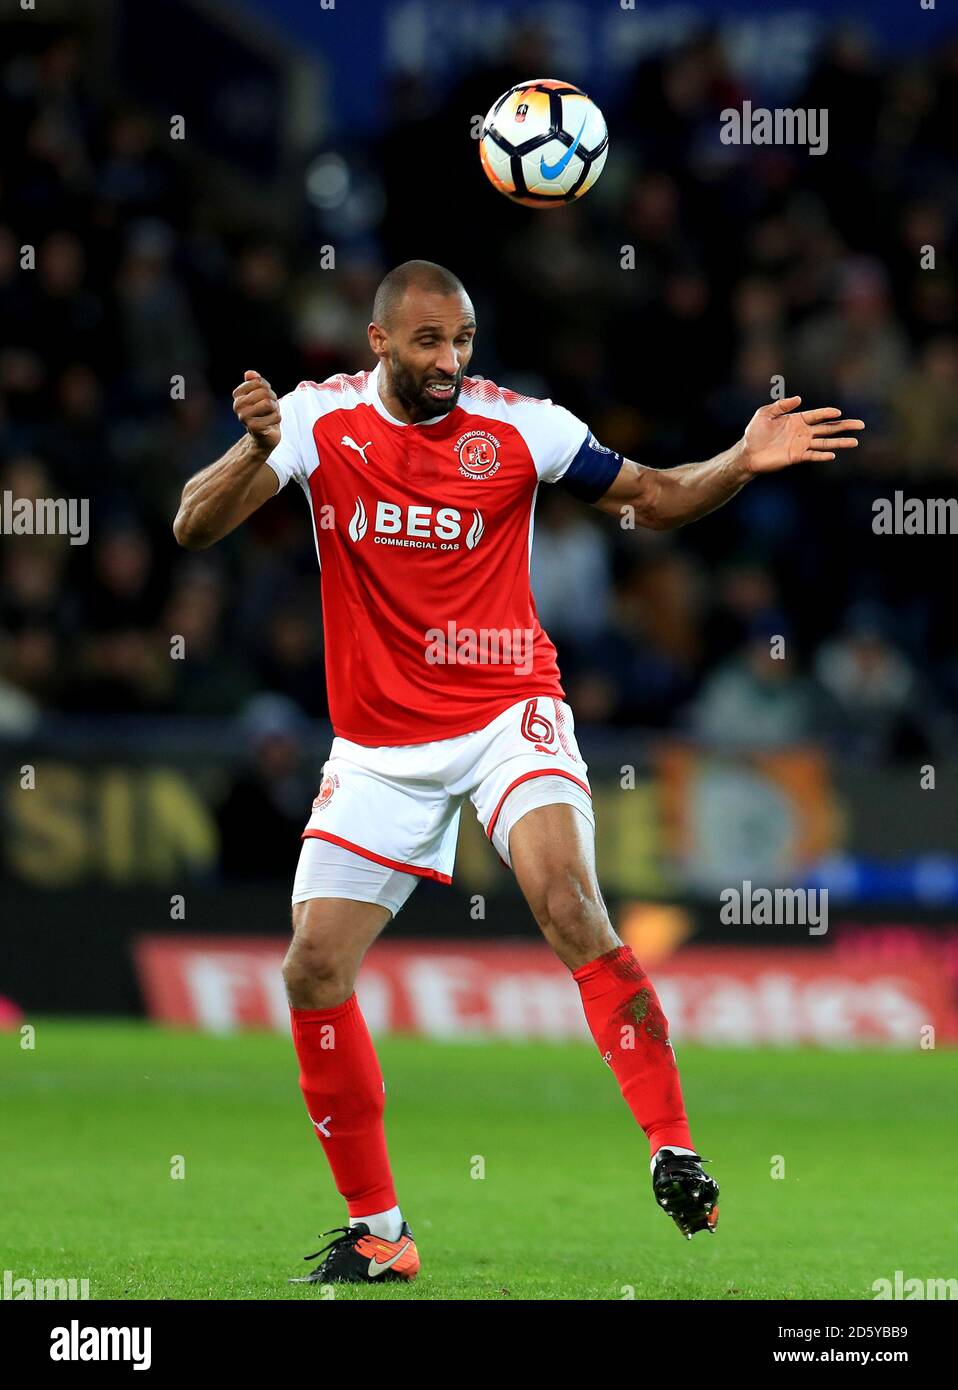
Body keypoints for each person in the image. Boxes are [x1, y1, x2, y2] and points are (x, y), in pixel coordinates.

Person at [173, 260, 864, 1284]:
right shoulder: (316, 423)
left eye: (461, 339)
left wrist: (741, 460)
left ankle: (673, 1147)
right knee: (311, 967)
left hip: (507, 710)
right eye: (427, 343)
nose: (450, 360)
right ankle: (381, 1232)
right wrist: (254, 449)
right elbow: (191, 523)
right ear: (378, 343)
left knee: (565, 897)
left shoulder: (522, 427)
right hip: (376, 748)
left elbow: (658, 499)